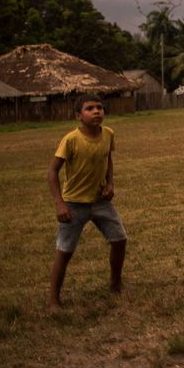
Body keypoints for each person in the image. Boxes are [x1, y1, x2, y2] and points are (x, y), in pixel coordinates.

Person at [47, 94, 127, 309]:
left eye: (99, 107)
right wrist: (60, 203)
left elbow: (107, 159)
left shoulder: (108, 134)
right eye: (89, 108)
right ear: (78, 115)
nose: (96, 111)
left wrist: (110, 185)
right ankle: (54, 300)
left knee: (119, 240)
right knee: (64, 252)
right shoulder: (71, 140)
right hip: (74, 204)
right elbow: (53, 172)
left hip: (100, 201)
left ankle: (116, 283)